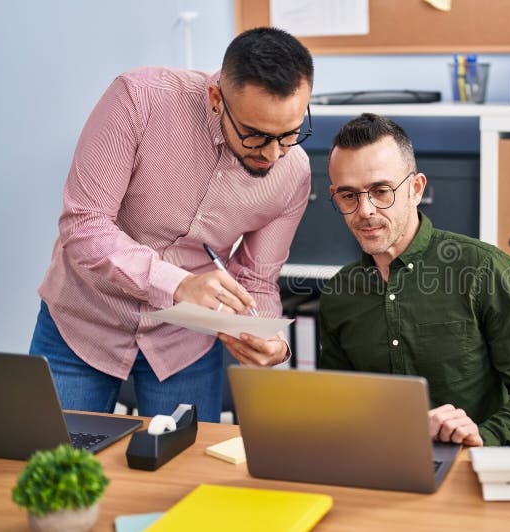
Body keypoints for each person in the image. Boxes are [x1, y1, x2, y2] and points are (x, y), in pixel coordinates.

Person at [30, 28, 314, 422]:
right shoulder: (139, 99)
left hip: (184, 346)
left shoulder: (294, 172)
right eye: (255, 135)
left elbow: (256, 279)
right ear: (217, 100)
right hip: (83, 325)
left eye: (290, 134)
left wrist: (269, 339)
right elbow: (85, 224)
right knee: (51, 473)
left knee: (184, 478)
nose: (272, 153)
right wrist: (177, 283)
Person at [318, 113, 510, 446]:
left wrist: (484, 436)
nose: (365, 210)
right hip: (377, 461)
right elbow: (337, 402)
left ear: (416, 189)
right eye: (349, 196)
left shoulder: (483, 269)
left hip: (471, 465)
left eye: (380, 191)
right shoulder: (339, 293)